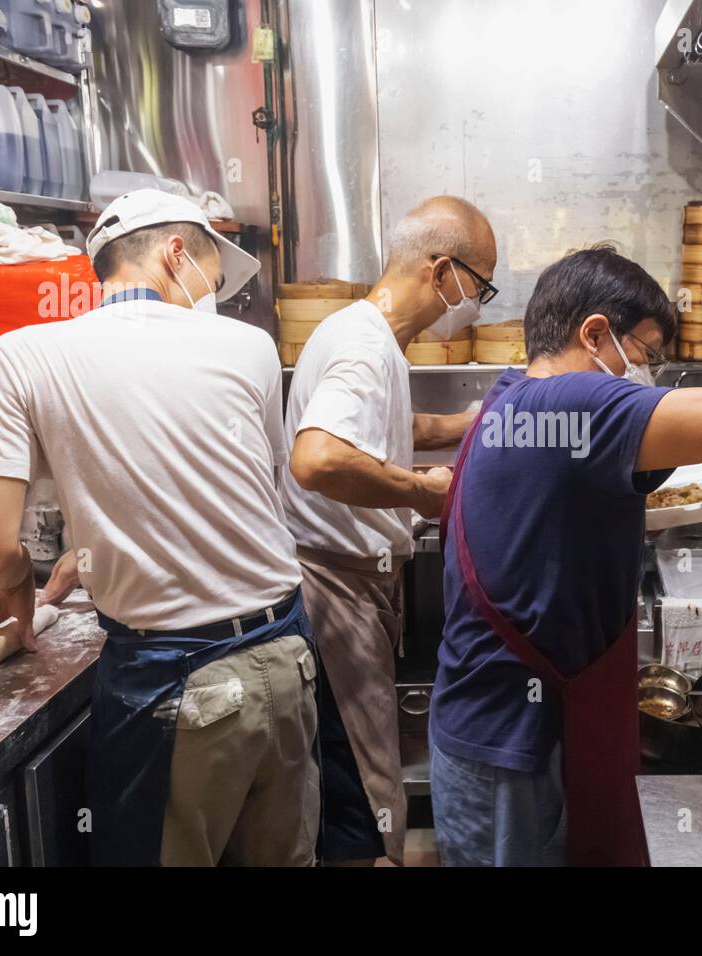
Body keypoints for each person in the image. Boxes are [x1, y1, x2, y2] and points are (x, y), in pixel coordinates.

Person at [429, 245, 702, 866]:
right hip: (509, 746)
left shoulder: (515, 400)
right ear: (596, 333)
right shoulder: (569, 401)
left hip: (501, 729)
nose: (648, 373)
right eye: (649, 356)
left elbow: (652, 454)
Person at [0, 190, 320, 867]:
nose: (215, 294)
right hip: (287, 659)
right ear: (176, 253)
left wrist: (13, 588)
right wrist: (89, 553)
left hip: (176, 685)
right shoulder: (252, 347)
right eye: (211, 270)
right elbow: (235, 496)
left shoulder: (24, 354)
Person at [283, 195, 494, 865]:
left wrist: (471, 422)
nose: (476, 304)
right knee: (365, 784)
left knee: (353, 766)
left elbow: (385, 430)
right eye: (478, 284)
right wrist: (421, 493)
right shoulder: (365, 349)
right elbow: (317, 459)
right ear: (441, 272)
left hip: (347, 583)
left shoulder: (364, 335)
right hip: (335, 589)